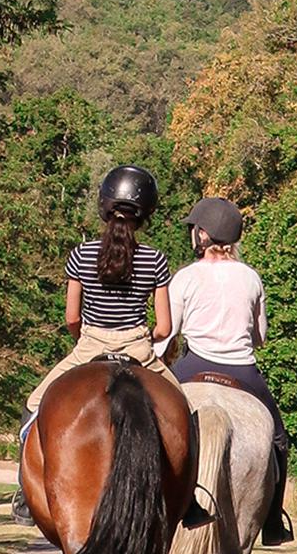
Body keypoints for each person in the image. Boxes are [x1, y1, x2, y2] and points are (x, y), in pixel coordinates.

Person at [10, 164, 178, 524]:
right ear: (147, 212)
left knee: (33, 408)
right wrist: (146, 336)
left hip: (89, 345)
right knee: (187, 415)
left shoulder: (81, 254)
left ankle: (25, 494)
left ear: (104, 205)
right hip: (139, 350)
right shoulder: (155, 259)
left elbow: (72, 317)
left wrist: (84, 341)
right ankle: (189, 496)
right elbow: (164, 326)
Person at [164, 197, 293, 545]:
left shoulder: (185, 277)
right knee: (279, 440)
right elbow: (260, 336)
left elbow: (169, 333)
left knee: (150, 423)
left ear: (203, 234)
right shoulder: (251, 277)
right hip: (243, 370)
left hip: (193, 365)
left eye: (194, 229)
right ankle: (273, 521)